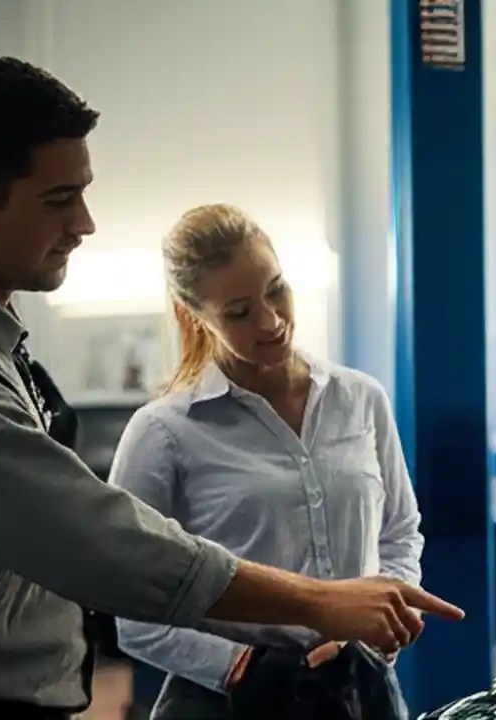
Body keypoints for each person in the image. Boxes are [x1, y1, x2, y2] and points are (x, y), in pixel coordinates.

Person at [0, 54, 462, 719]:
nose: (85, 224)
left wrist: (369, 626)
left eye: (275, 293)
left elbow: (400, 533)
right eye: (60, 201)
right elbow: (96, 545)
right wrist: (305, 615)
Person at [110, 203, 421, 718]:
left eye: (276, 289)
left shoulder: (361, 399)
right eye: (239, 312)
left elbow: (399, 532)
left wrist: (386, 614)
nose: (271, 321)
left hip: (361, 691)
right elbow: (133, 608)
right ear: (194, 316)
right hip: (228, 702)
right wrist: (244, 667)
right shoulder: (163, 432)